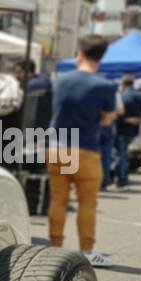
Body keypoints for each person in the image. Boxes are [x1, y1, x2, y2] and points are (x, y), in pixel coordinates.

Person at [48, 35, 117, 267]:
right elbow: (107, 119)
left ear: (80, 54)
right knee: (88, 202)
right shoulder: (106, 86)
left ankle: (55, 247)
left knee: (58, 199)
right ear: (101, 57)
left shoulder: (60, 80)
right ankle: (87, 251)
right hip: (86, 148)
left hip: (58, 146)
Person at [112, 74, 141, 190]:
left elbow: (118, 113)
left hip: (121, 127)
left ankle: (121, 179)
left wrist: (125, 119)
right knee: (124, 153)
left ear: (123, 84)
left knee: (120, 154)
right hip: (134, 129)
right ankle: (123, 177)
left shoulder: (122, 96)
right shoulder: (140, 96)